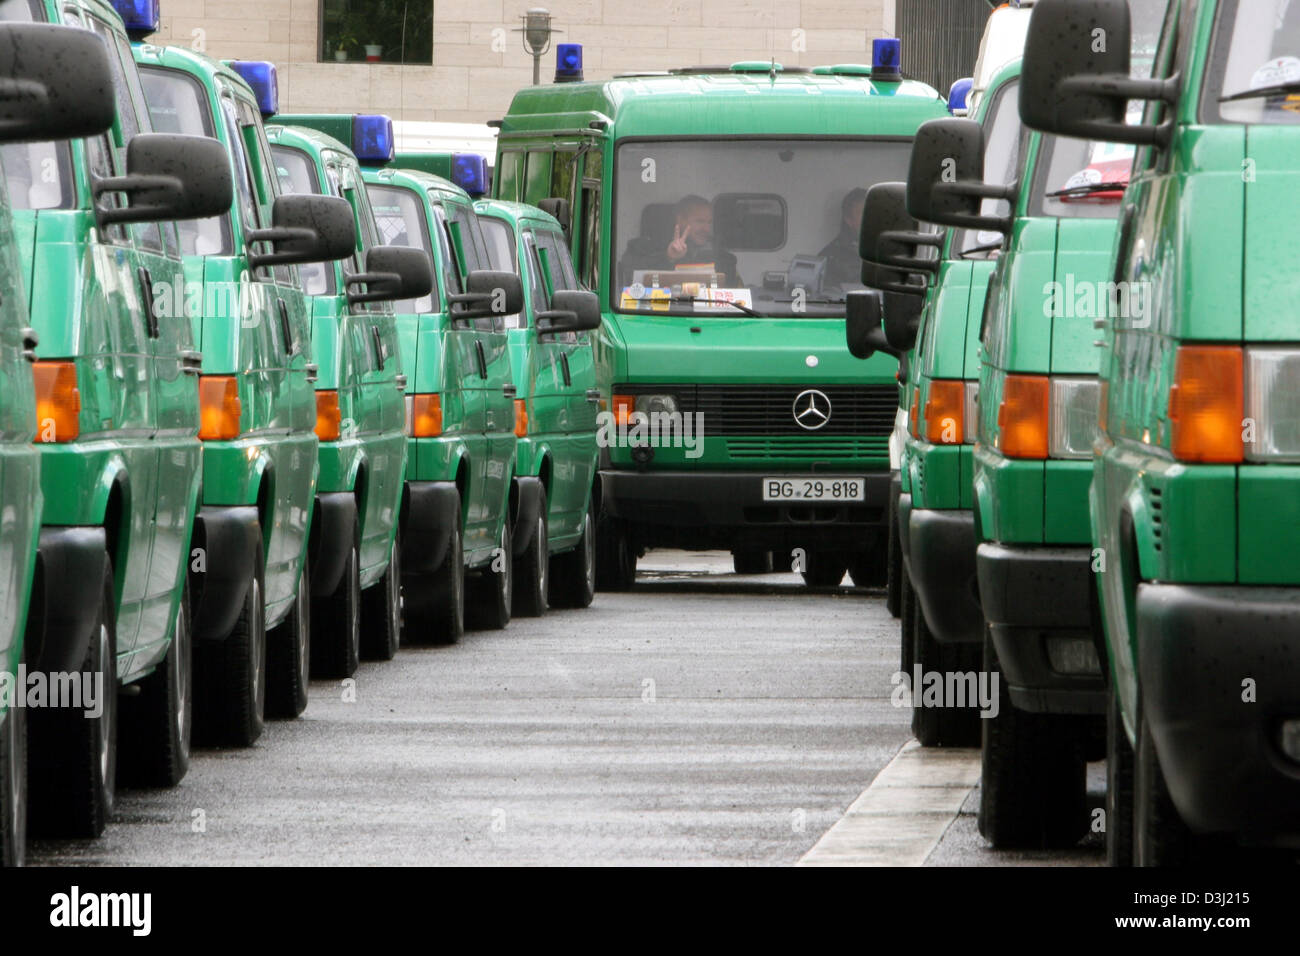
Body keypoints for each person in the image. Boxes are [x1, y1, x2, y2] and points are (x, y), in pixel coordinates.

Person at [624, 194, 741, 288]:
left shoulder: (722, 256)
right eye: (700, 221)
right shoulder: (645, 246)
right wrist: (668, 257)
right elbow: (628, 276)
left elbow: (732, 290)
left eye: (709, 222)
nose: (706, 229)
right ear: (680, 220)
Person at [818, 188, 867, 289]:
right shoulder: (829, 258)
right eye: (862, 213)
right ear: (849, 220)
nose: (870, 217)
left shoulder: (891, 251)